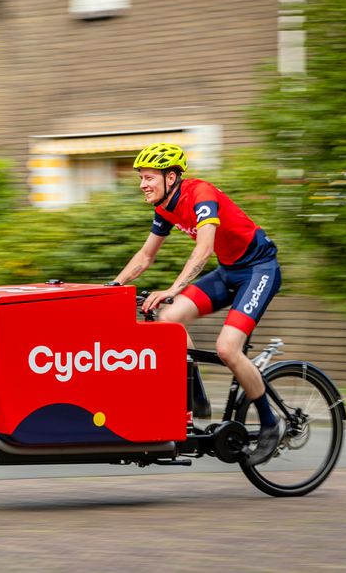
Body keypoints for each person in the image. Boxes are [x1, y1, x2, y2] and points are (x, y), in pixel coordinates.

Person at [108, 142, 284, 465]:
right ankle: (196, 395)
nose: (142, 184)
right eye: (141, 178)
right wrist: (114, 287)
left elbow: (204, 249)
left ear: (171, 178)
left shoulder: (200, 194)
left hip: (259, 269)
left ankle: (271, 425)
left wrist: (173, 288)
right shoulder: (164, 207)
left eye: (149, 177)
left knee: (227, 348)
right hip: (230, 272)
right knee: (168, 319)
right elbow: (146, 255)